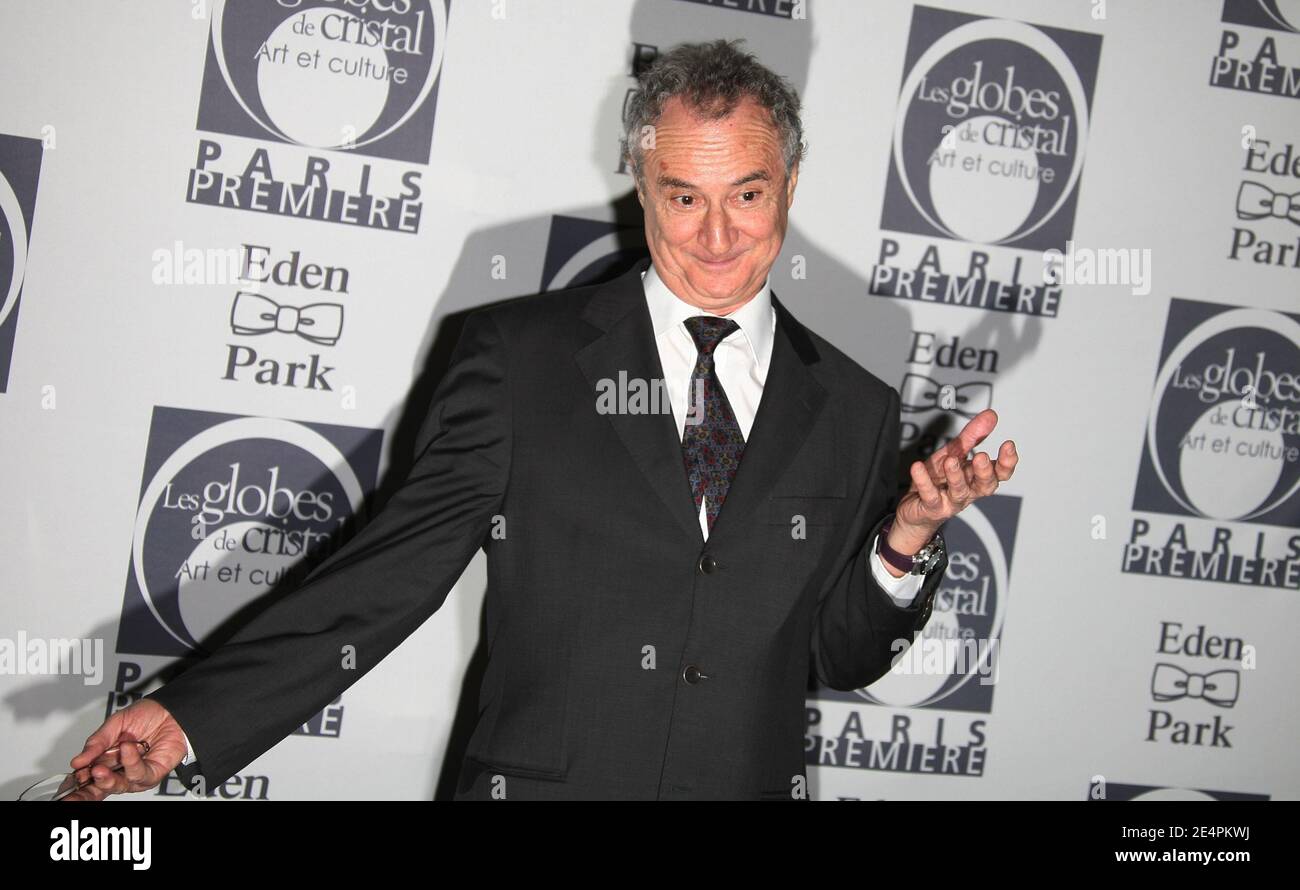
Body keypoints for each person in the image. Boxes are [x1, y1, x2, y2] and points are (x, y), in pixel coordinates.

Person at [69, 39, 1017, 801]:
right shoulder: (518, 361)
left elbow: (840, 656)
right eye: (684, 197)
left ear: (790, 184)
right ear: (640, 187)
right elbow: (386, 578)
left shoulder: (853, 401)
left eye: (748, 195)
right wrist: (191, 718)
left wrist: (909, 534)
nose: (718, 237)